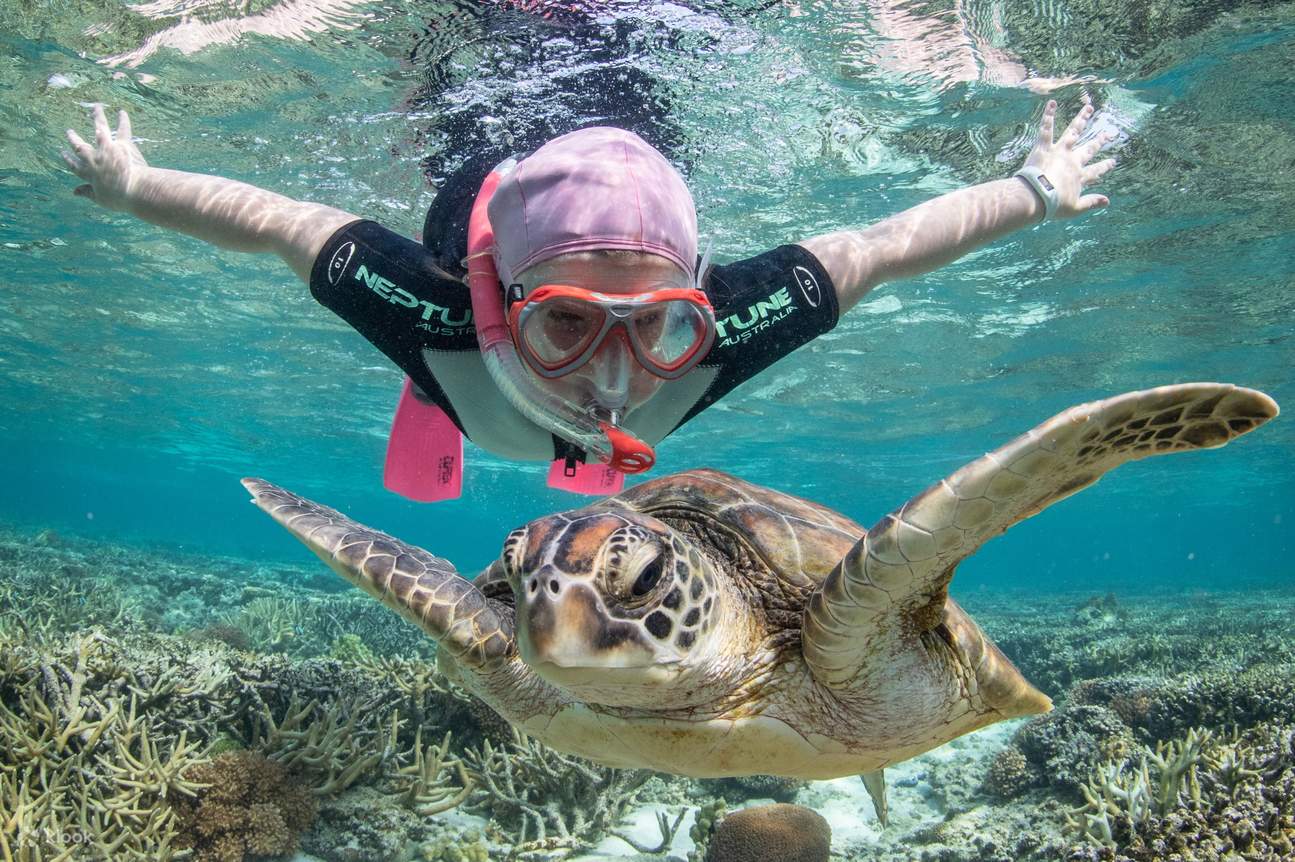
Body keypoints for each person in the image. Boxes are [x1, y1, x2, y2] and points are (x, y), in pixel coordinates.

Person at [62, 95, 1114, 499]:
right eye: (565, 323)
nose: (612, 380)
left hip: (501, 335)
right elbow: (280, 223)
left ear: (696, 302)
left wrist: (1035, 191)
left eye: (656, 326)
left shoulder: (721, 333)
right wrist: (134, 186)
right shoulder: (424, 308)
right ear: (509, 302)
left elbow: (877, 249)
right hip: (470, 233)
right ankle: (429, 395)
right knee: (440, 354)